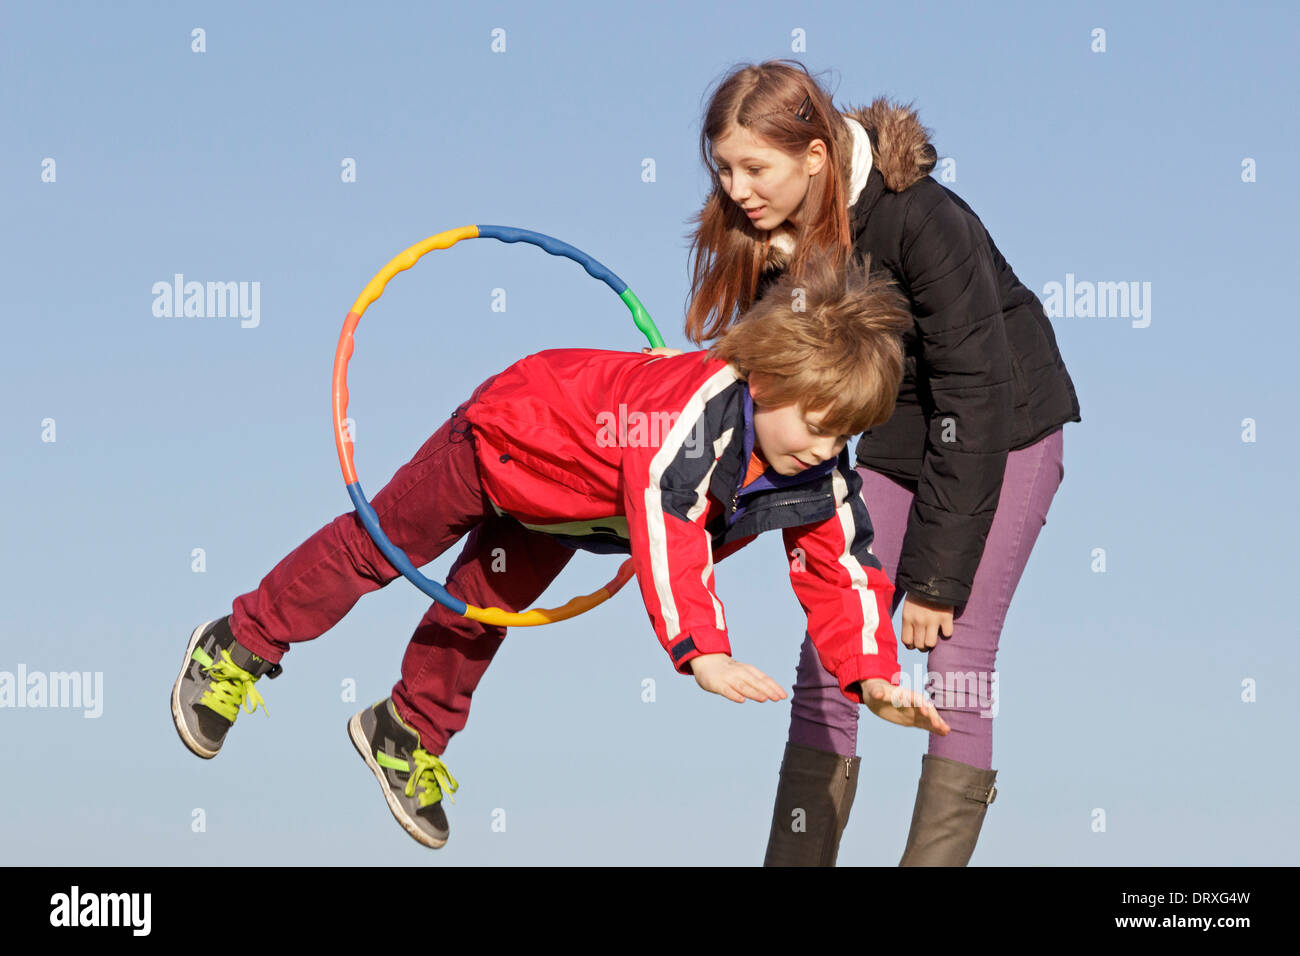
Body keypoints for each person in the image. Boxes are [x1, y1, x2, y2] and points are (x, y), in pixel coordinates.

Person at [170, 259, 950, 852]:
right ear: (769, 379)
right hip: (508, 442)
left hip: (571, 514)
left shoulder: (816, 467)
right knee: (381, 549)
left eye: (843, 434)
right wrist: (702, 653)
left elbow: (843, 568)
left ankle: (405, 729)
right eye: (816, 423)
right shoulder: (693, 414)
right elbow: (669, 522)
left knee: (486, 606)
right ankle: (239, 641)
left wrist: (873, 676)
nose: (825, 446)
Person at [683, 60, 1081, 866]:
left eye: (755, 168)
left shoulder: (923, 219)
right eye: (724, 169)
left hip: (1004, 429)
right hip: (897, 434)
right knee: (837, 643)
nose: (737, 188)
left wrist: (937, 579)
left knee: (955, 653)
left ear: (817, 158)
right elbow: (749, 381)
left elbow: (976, 388)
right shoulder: (775, 236)